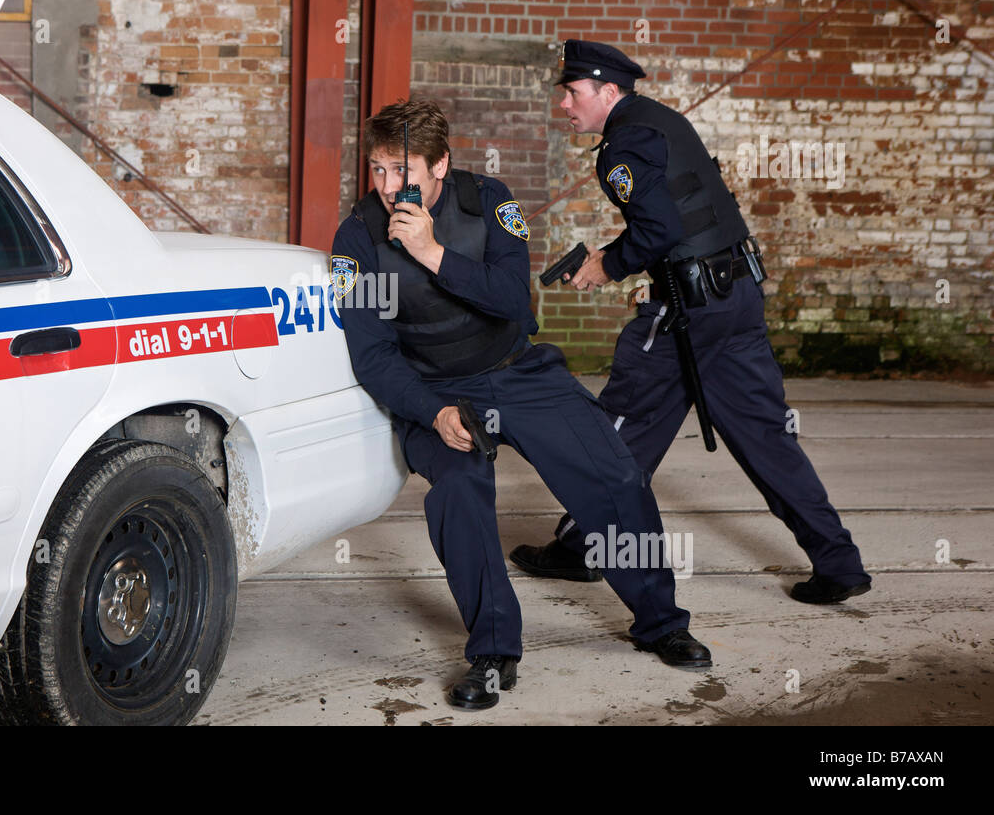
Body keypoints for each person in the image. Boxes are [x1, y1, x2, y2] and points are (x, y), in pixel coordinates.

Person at [330, 97, 711, 712]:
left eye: (402, 172)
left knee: (613, 473)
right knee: (458, 493)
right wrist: (432, 413)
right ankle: (493, 651)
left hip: (516, 372)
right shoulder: (356, 238)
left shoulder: (489, 201)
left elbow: (513, 300)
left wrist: (433, 254)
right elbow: (372, 356)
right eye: (377, 170)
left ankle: (661, 621)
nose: (386, 186)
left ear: (440, 166)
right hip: (437, 395)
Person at [510, 40, 871, 606]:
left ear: (608, 92)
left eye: (572, 92)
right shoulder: (663, 120)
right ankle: (839, 562)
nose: (563, 104)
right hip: (737, 297)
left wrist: (606, 265)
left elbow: (658, 232)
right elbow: (686, 211)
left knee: (619, 425)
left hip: (686, 310)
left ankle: (582, 549)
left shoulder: (621, 146)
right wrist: (617, 255)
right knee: (764, 435)